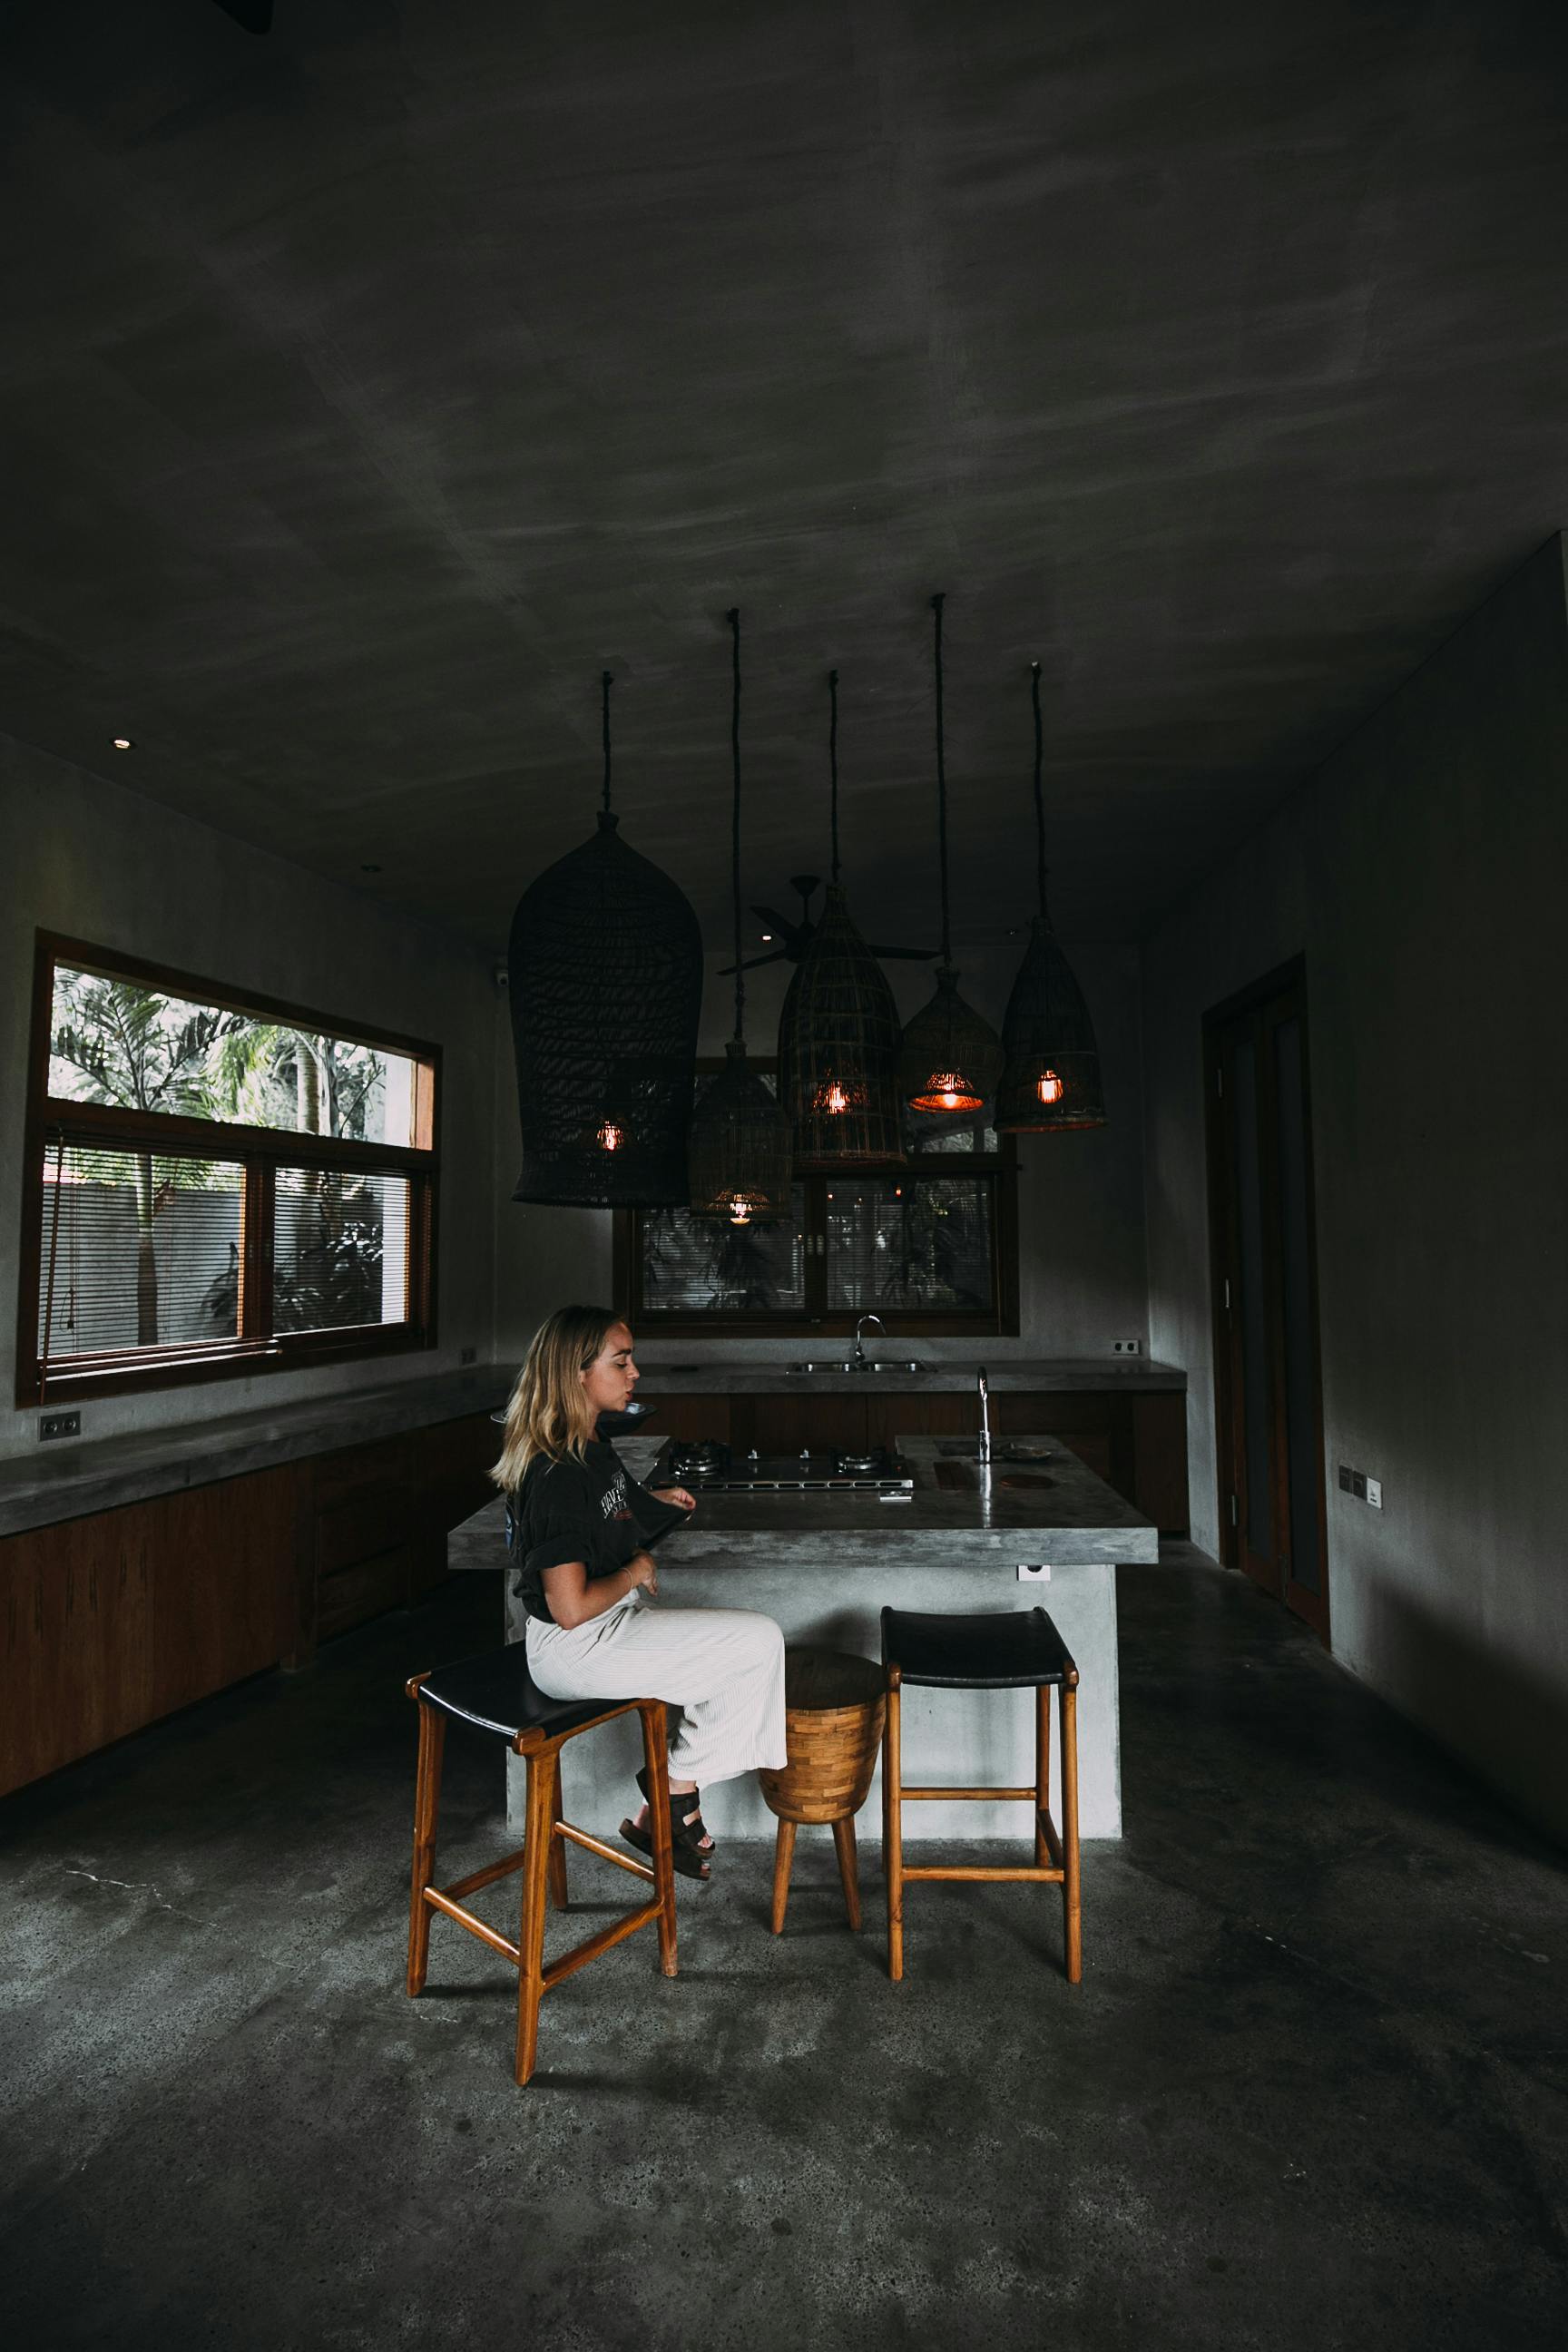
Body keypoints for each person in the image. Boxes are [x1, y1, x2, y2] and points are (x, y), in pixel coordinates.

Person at [492, 1305, 787, 1880]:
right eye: (620, 1361)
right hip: (575, 1649)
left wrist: (659, 1503)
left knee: (742, 1656)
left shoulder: (590, 1441)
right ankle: (673, 1791)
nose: (635, 1374)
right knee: (758, 1644)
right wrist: (634, 1572)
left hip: (610, 1626)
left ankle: (668, 1798)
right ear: (576, 1373)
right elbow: (570, 1607)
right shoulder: (556, 1474)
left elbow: (618, 1509)